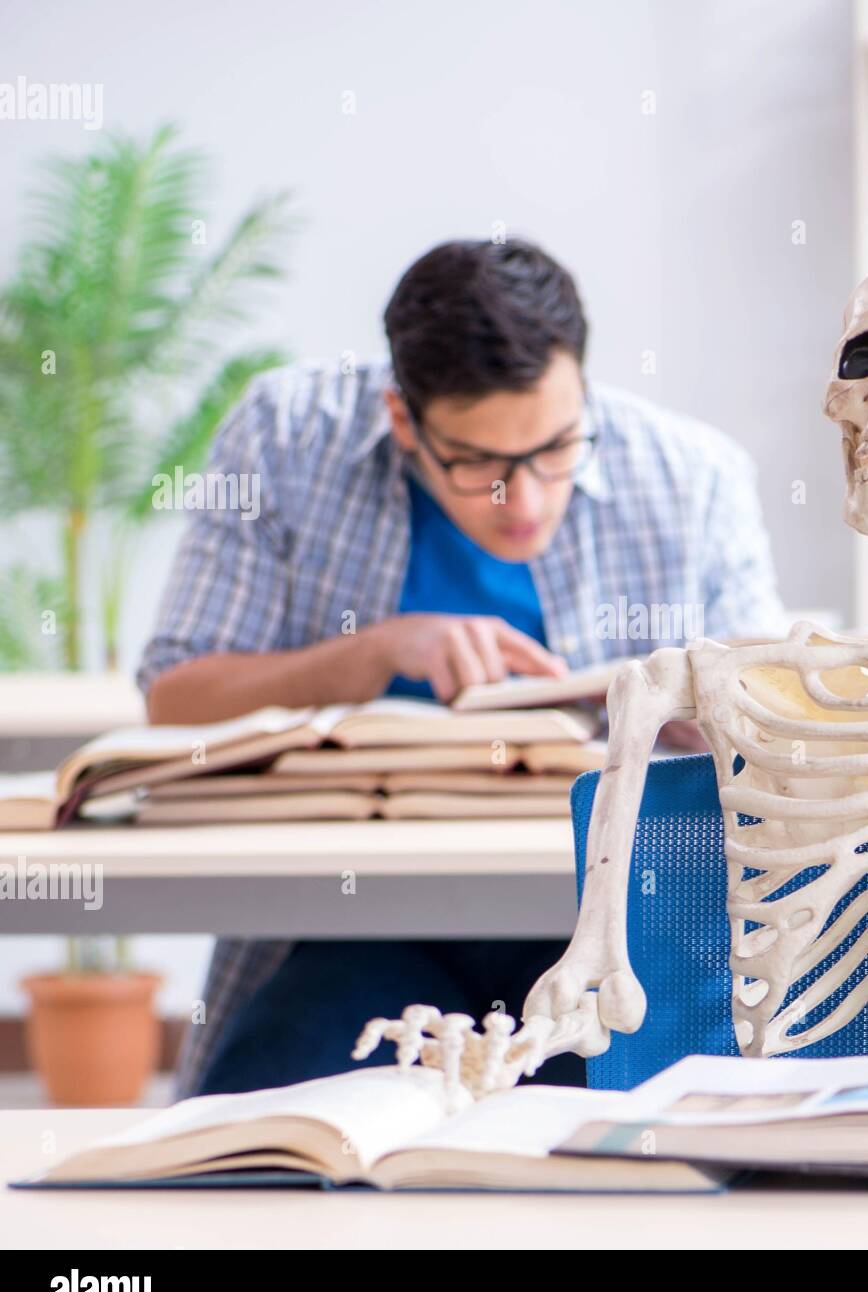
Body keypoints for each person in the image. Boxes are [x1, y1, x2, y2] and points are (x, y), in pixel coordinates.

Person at [139, 237, 787, 1097]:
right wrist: (370, 652)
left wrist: (687, 715)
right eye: (476, 463)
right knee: (263, 1145)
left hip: (611, 930)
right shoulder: (287, 436)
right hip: (349, 928)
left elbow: (781, 742)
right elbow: (177, 698)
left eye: (556, 448)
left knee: (630, 1163)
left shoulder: (693, 478)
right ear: (404, 419)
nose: (521, 501)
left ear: (582, 391)